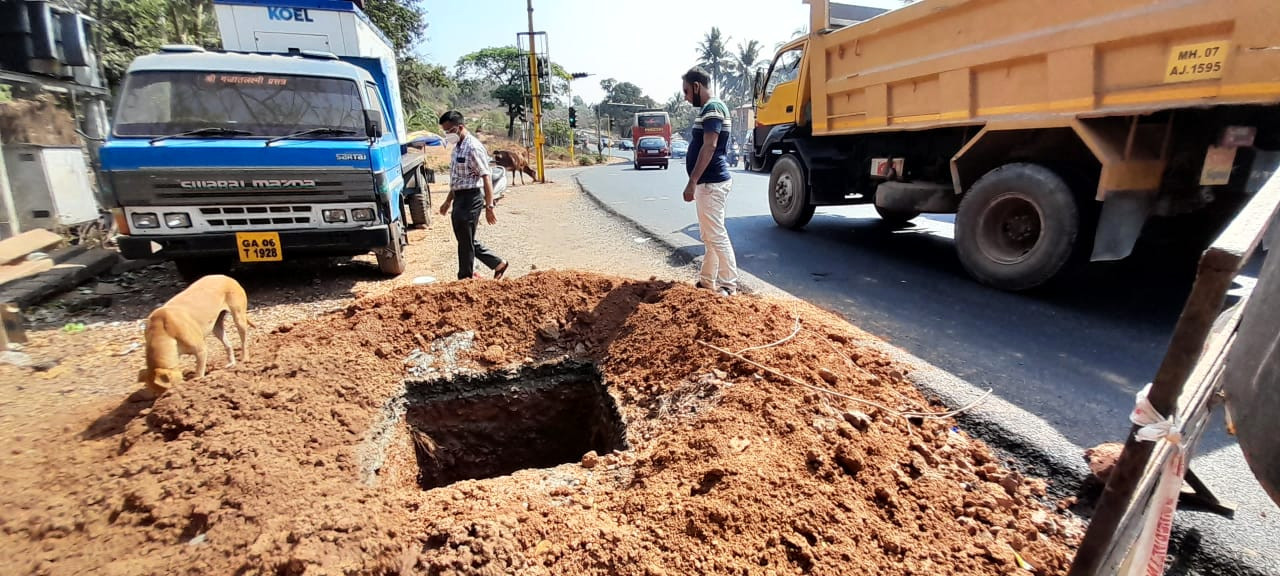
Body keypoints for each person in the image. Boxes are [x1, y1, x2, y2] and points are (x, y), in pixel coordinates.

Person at [680, 67, 738, 296]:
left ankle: (728, 285)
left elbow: (710, 145)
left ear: (697, 86)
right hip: (710, 183)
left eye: (686, 91)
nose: (685, 97)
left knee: (715, 234)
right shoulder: (709, 109)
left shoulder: (713, 108)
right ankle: (706, 281)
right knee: (709, 234)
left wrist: (692, 181)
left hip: (711, 182)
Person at [436, 111, 508, 280]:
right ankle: (497, 264)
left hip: (471, 198)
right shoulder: (458, 148)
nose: (447, 135)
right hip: (459, 198)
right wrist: (448, 201)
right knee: (465, 239)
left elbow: (486, 176)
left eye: (449, 131)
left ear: (460, 127)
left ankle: (465, 277)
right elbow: (458, 179)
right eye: (444, 131)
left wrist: (489, 206)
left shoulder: (473, 147)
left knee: (465, 242)